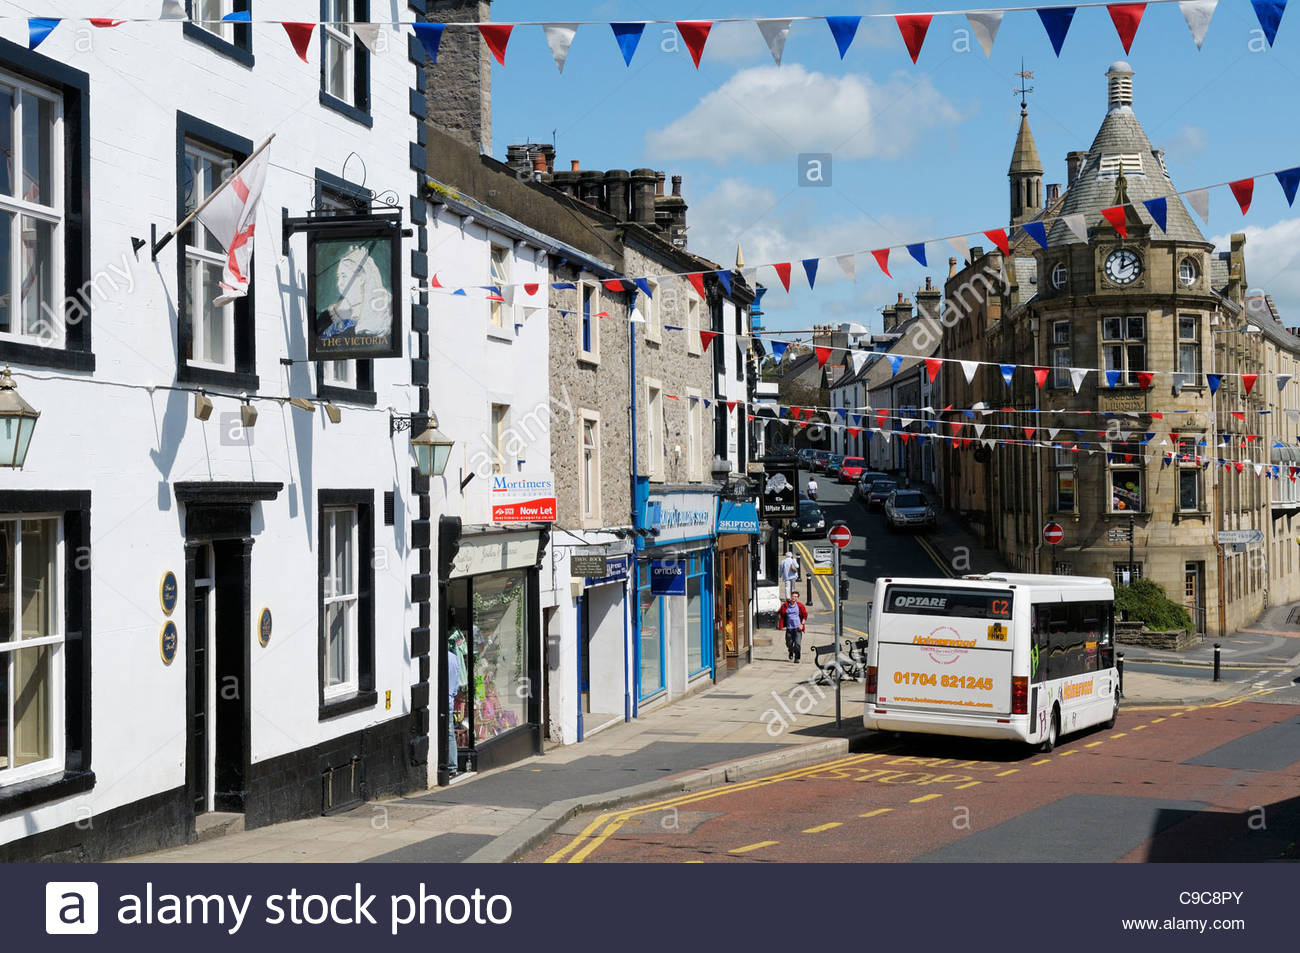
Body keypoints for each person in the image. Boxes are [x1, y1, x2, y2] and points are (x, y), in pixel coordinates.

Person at [778, 594, 808, 662]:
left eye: (796, 597)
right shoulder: (785, 605)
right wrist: (781, 620)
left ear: (797, 598)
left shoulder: (800, 605)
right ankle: (791, 651)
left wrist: (802, 624)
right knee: (789, 643)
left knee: (797, 644)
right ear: (790, 597)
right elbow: (779, 612)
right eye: (793, 596)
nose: (794, 598)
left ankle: (797, 658)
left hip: (798, 628)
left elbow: (805, 615)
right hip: (789, 628)